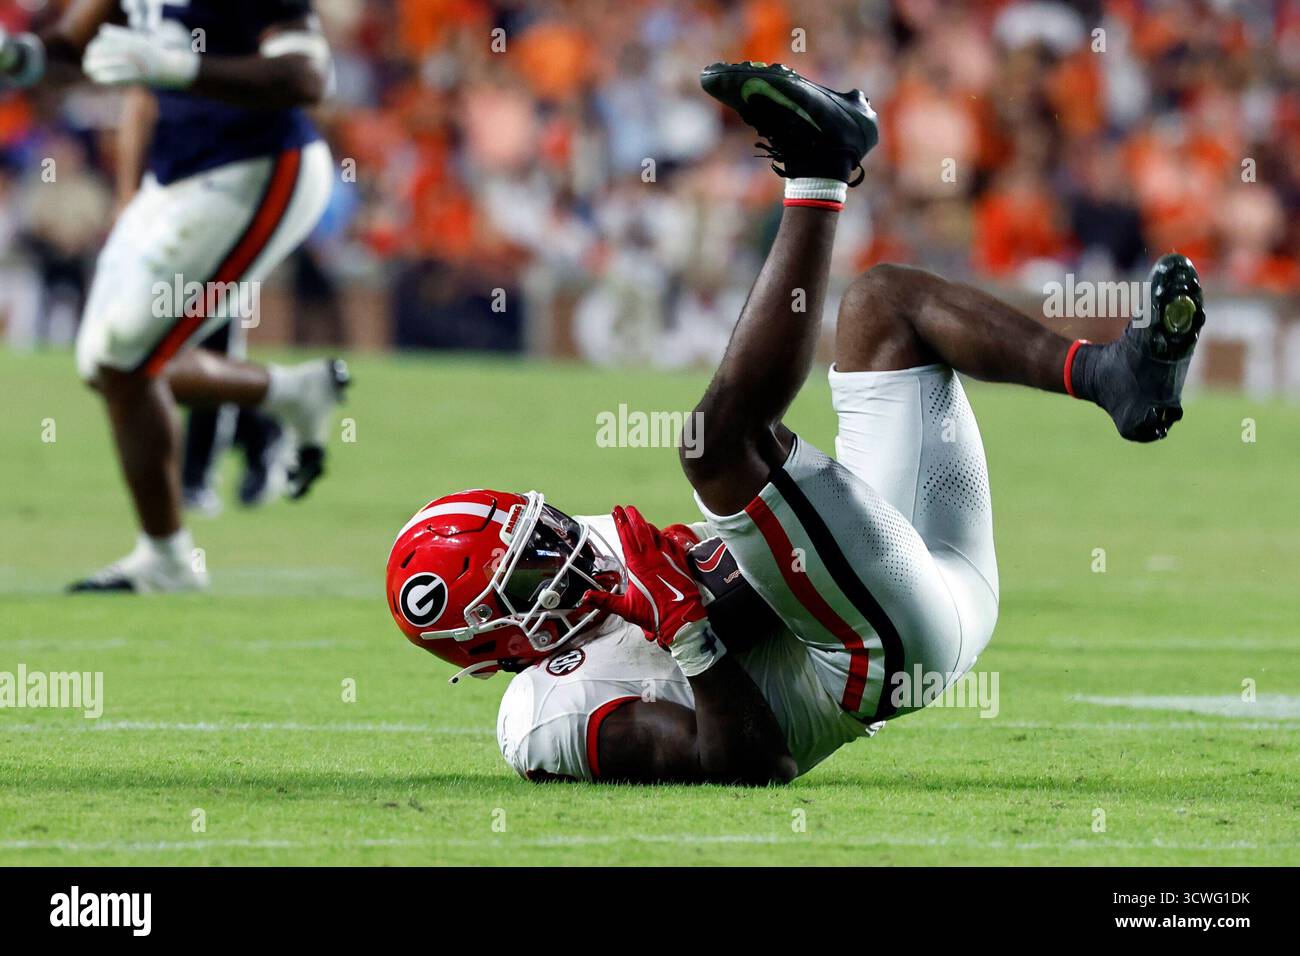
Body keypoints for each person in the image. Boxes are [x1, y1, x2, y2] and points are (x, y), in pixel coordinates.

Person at [384, 62, 1205, 784]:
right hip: (872, 656)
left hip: (910, 569)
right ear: (490, 643)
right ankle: (819, 169)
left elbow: (757, 575)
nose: (559, 556)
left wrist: (694, 600)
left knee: (884, 305)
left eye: (539, 536)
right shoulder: (545, 720)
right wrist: (688, 634)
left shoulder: (590, 548)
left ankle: (1110, 376)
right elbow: (747, 765)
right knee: (714, 447)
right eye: (526, 577)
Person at [0, 0, 349, 593]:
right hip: (177, 175)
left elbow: (307, 79)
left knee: (123, 358)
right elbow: (69, 44)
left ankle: (167, 556)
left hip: (260, 167)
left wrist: (179, 67)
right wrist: (17, 55)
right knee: (105, 365)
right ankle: (289, 392)